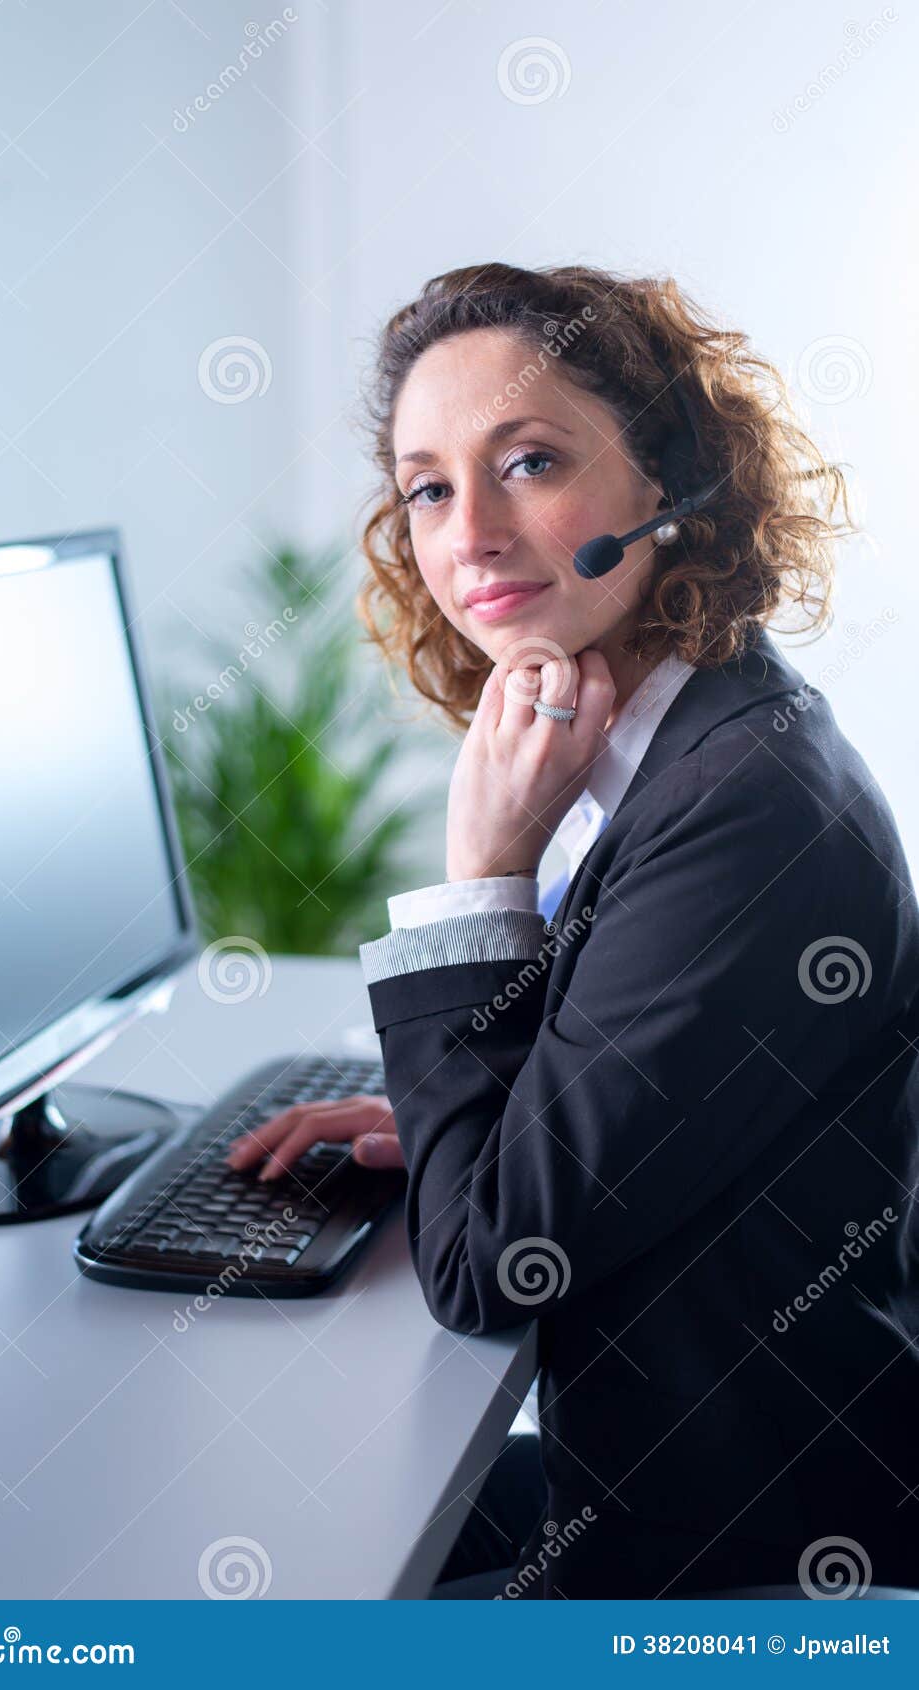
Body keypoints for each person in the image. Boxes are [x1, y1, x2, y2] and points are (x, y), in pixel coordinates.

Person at [225, 262, 919, 1599]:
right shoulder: (681, 739)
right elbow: (626, 1091)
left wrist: (480, 871)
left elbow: (492, 1261)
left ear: (670, 483)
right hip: (685, 1473)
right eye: (429, 486)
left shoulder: (747, 815)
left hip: (734, 1554)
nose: (468, 532)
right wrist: (461, 1112)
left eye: (529, 461)